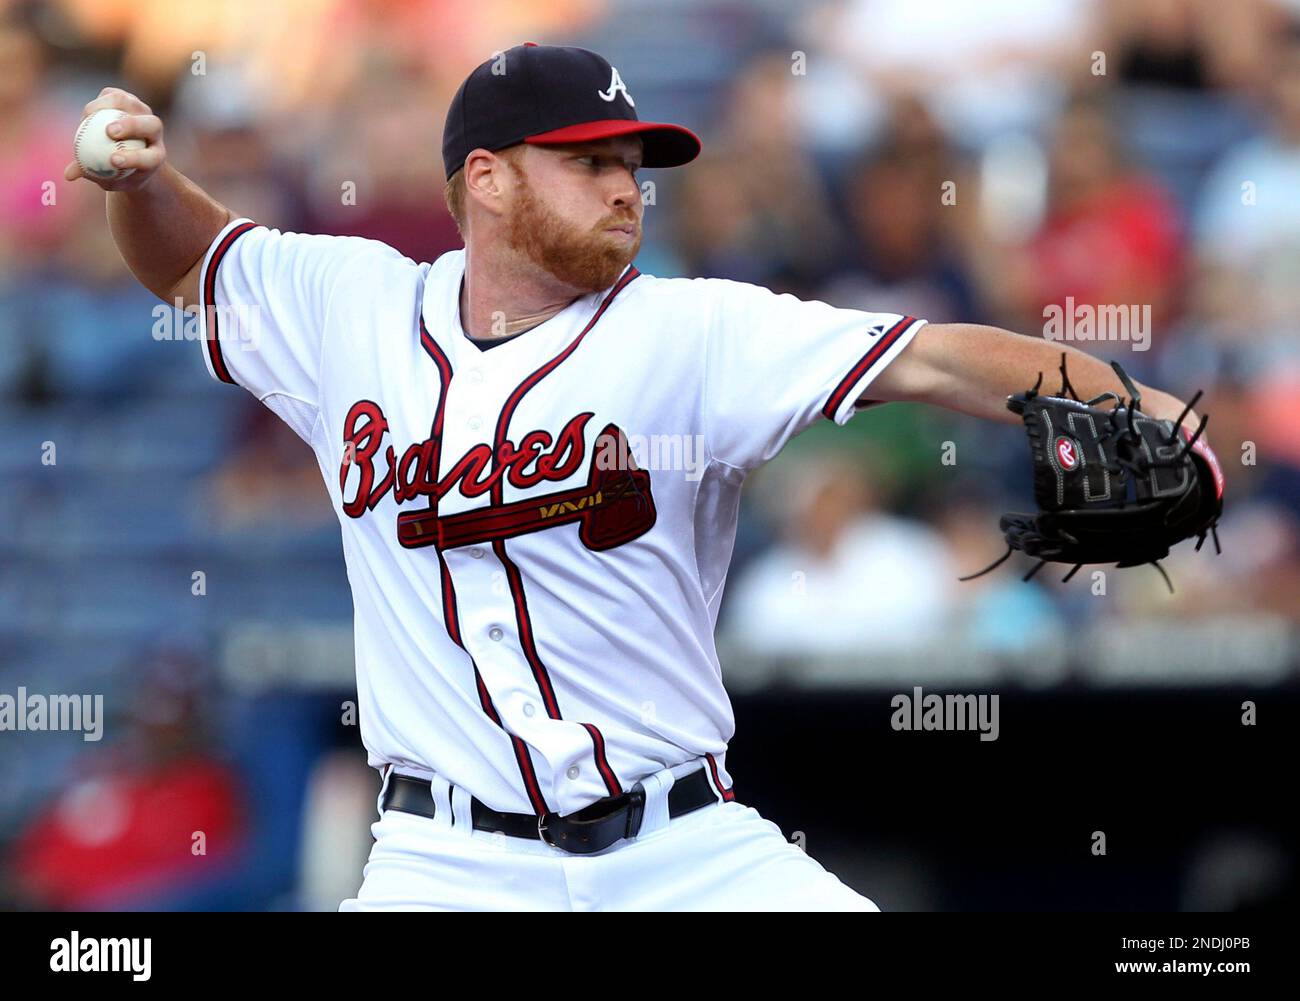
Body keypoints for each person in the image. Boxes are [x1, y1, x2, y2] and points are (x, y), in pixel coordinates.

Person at [68, 43, 1215, 912]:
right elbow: (196, 265)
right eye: (589, 163)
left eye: (633, 164)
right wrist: (139, 180)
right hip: (445, 859)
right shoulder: (352, 305)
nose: (627, 187)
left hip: (684, 850)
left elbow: (927, 355)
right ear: (488, 179)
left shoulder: (692, 331)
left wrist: (1132, 398)